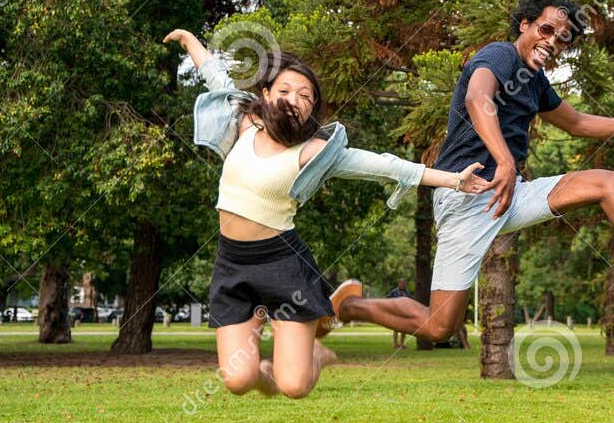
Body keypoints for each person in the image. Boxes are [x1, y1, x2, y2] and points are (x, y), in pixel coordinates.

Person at [327, 0, 614, 344]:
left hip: (508, 195)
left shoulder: (536, 82)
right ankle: (347, 307)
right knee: (440, 326)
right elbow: (477, 100)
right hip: (466, 194)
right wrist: (505, 162)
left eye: (562, 39)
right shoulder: (499, 55)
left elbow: (577, 123)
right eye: (545, 30)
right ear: (525, 24)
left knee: (607, 181)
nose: (551, 42)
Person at [166, 29, 489, 399]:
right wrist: (191, 43)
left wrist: (454, 181)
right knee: (238, 380)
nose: (294, 99)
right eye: (285, 90)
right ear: (267, 94)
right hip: (232, 262)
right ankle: (270, 355)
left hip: (282, 262)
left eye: (306, 96)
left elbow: (386, 166)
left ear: (312, 109)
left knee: (295, 387)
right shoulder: (243, 124)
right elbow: (218, 79)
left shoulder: (315, 152)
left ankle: (313, 356)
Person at [386, 278, 412, 350]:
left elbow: (411, 301)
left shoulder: (407, 293)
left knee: (404, 329)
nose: (403, 285)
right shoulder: (394, 292)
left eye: (404, 284)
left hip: (405, 313)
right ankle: (395, 344)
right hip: (397, 313)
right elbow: (387, 298)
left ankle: (402, 344)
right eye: (402, 283)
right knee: (396, 329)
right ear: (399, 284)